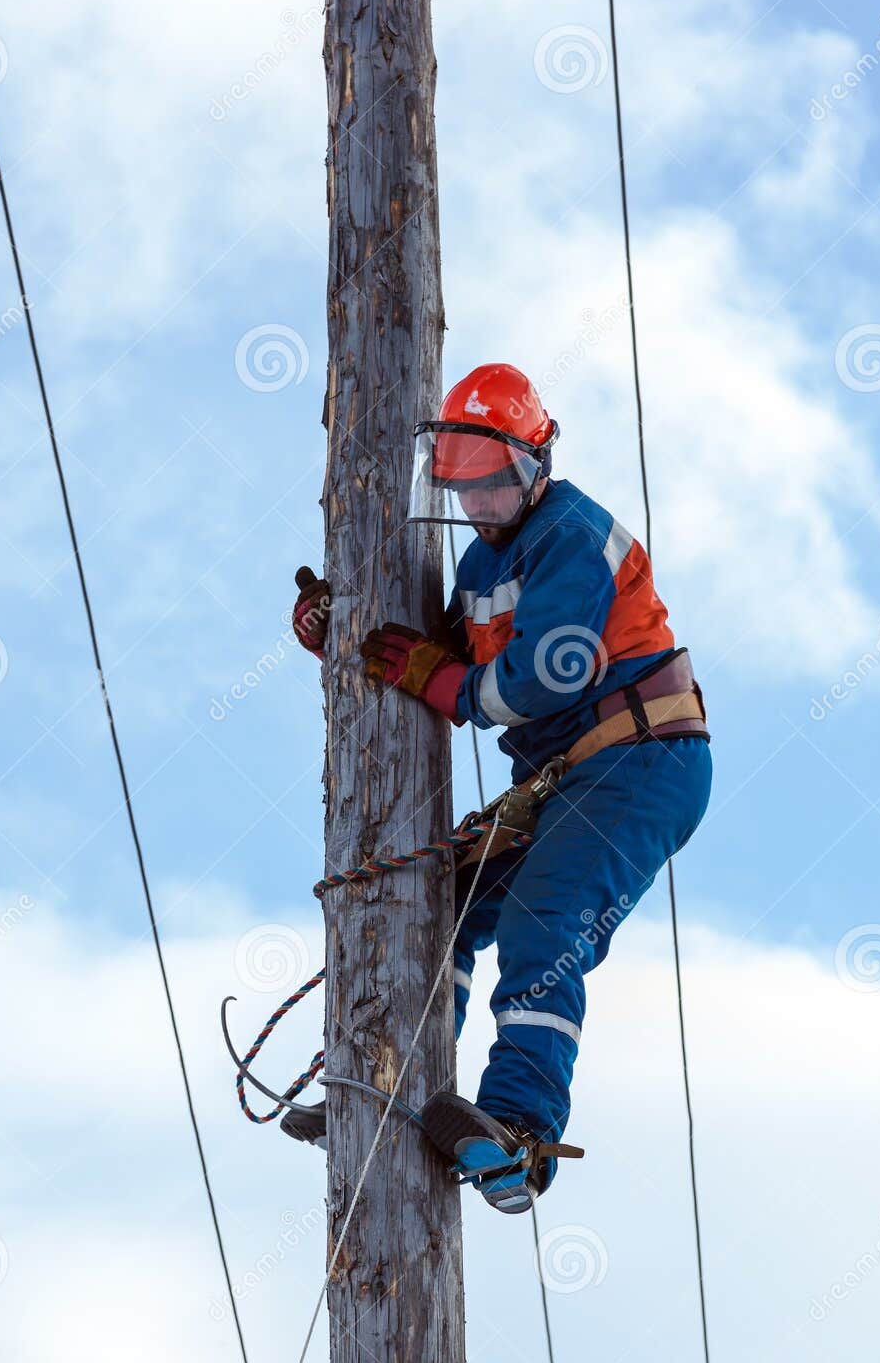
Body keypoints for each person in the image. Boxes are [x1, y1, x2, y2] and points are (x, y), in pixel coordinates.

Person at [291, 362, 711, 1214]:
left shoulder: (571, 536)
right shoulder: (483, 566)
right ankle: (389, 1079)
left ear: (537, 461)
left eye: (496, 485)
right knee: (438, 905)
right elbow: (439, 650)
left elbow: (542, 675)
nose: (480, 506)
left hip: (638, 760)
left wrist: (436, 678)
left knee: (543, 918)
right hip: (566, 778)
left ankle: (518, 1136)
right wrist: (345, 630)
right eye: (465, 490)